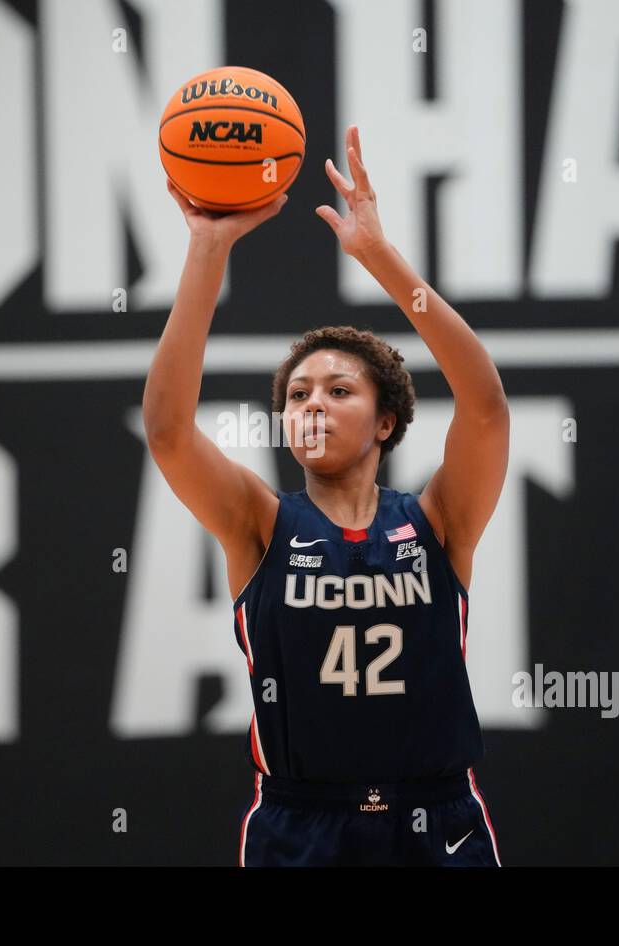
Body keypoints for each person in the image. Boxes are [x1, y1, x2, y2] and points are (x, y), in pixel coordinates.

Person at [143, 125, 509, 866]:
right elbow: (168, 434)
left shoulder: (438, 521)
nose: (313, 402)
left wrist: (379, 257)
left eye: (338, 390)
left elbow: (486, 407)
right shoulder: (259, 522)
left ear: (385, 422)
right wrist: (208, 247)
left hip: (436, 822)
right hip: (301, 826)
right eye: (299, 393)